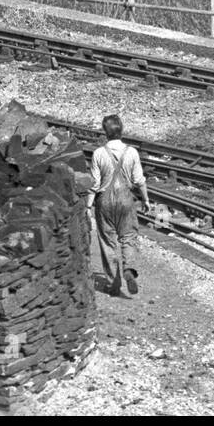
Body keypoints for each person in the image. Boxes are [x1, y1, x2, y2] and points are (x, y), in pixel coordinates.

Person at [88, 114, 151, 296]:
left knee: (108, 242)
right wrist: (146, 200)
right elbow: (139, 180)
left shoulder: (98, 153)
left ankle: (113, 284)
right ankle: (129, 269)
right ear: (121, 130)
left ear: (105, 132)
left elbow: (94, 183)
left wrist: (87, 207)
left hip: (104, 202)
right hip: (125, 200)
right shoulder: (131, 152)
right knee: (128, 236)